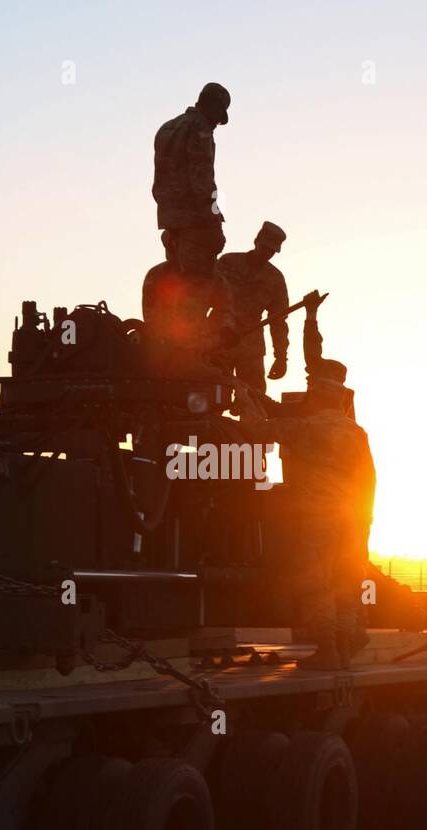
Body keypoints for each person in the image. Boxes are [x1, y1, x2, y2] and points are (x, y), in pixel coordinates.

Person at [234, 356, 375, 670]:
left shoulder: (308, 428)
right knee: (345, 582)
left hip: (319, 519)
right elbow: (371, 480)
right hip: (353, 520)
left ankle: (327, 649)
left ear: (315, 394)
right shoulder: (357, 433)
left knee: (317, 584)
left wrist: (243, 398)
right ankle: (345, 646)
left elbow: (257, 431)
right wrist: (364, 523)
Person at [152, 83, 230, 331]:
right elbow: (203, 180)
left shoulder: (167, 128)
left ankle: (170, 342)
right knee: (198, 284)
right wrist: (214, 217)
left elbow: (161, 178)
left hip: (171, 221)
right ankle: (189, 348)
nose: (218, 123)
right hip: (196, 221)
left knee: (176, 282)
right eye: (219, 116)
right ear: (213, 108)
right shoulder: (201, 130)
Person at [215, 221, 290, 393]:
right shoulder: (227, 262)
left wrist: (281, 357)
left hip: (250, 348)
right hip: (219, 340)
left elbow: (278, 322)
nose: (267, 253)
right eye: (265, 247)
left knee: (254, 399)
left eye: (272, 251)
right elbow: (204, 296)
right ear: (256, 241)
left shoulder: (275, 279)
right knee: (214, 394)